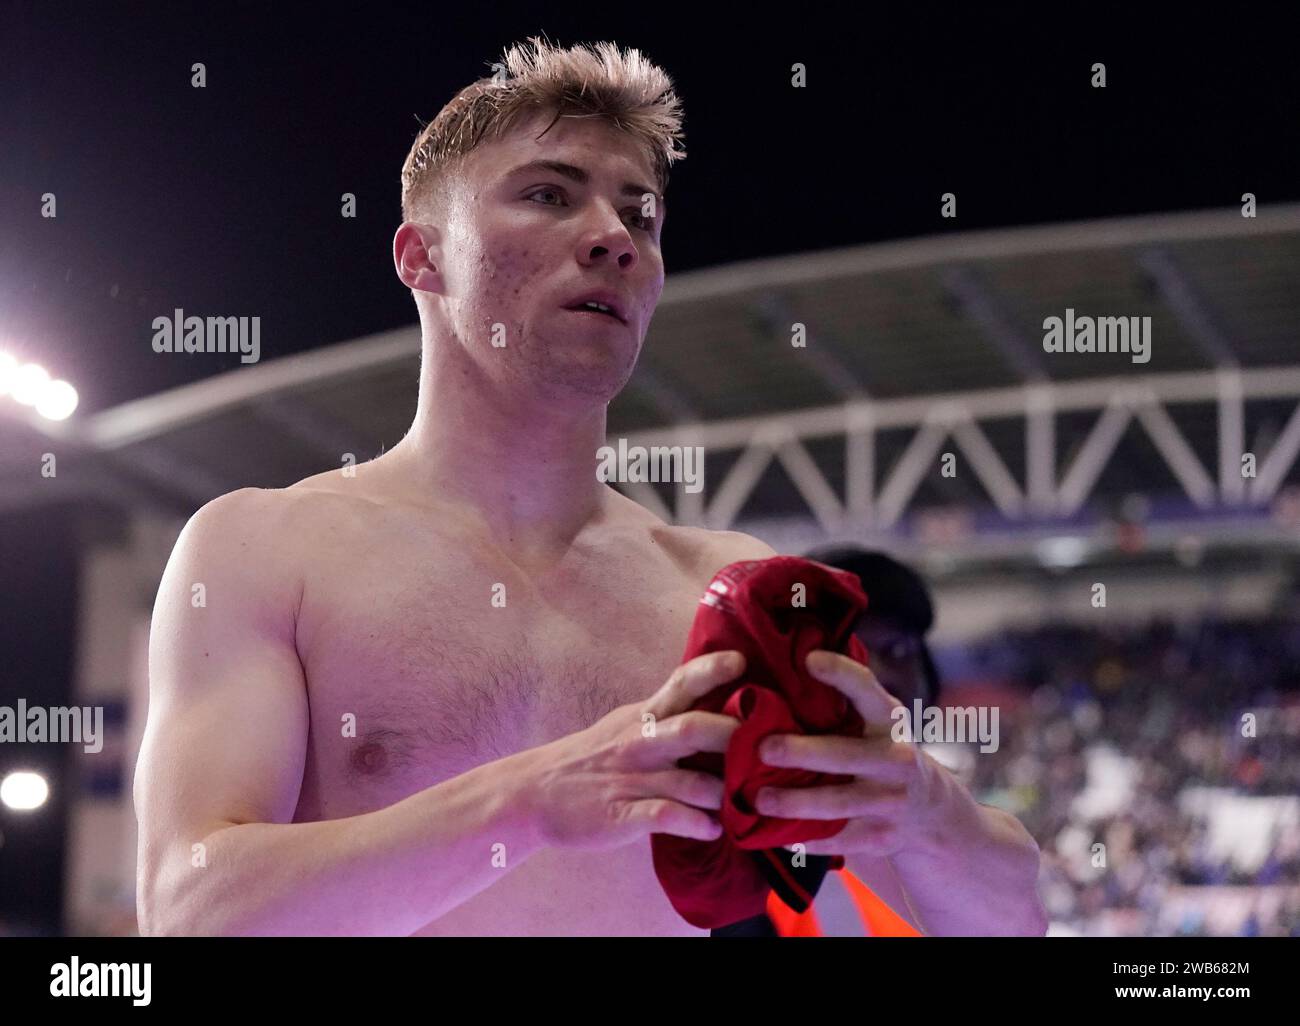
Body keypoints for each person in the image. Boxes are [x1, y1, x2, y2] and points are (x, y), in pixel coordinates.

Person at [133, 38, 1045, 937]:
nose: (613, 235)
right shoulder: (264, 548)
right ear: (422, 256)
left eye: (640, 216)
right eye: (549, 194)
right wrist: (531, 799)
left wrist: (925, 809)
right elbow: (191, 908)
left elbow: (1003, 924)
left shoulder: (728, 593)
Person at [713, 546, 946, 937]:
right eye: (849, 654)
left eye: (898, 650)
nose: (877, 675)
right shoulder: (742, 850)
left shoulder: (962, 823)